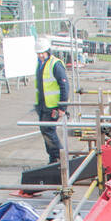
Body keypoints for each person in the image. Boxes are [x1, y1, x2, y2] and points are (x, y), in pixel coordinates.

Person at [34, 36, 70, 165]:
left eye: (42, 53)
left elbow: (64, 86)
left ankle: (59, 157)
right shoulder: (40, 64)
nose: (40, 56)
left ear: (48, 51)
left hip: (53, 106)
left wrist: (62, 107)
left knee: (49, 131)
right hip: (43, 105)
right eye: (38, 54)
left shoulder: (55, 65)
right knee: (45, 131)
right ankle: (53, 158)